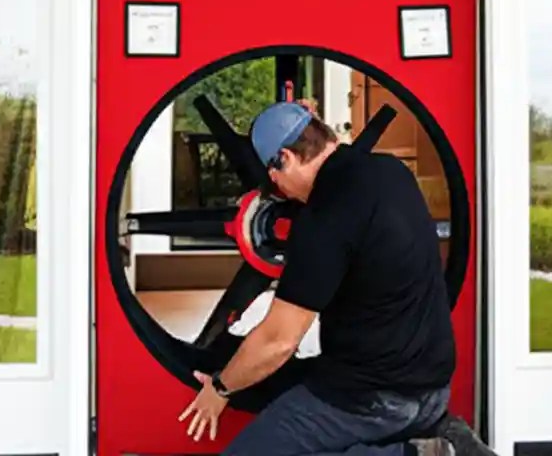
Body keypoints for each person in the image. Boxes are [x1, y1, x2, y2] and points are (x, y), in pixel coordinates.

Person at [179, 100, 491, 456]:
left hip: (375, 401)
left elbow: (278, 342)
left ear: (285, 157)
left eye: (272, 175)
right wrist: (234, 376)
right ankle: (434, 439)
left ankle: (422, 455)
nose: (274, 186)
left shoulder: (324, 217)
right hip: (431, 388)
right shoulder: (391, 172)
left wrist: (220, 389)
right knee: (267, 380)